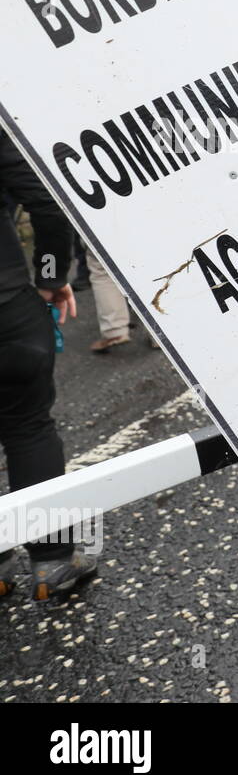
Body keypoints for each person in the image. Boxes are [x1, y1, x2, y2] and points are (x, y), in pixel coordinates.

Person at [0, 128, 99, 601]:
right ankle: (52, 562)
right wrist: (49, 278)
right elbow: (46, 200)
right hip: (7, 308)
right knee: (29, 428)